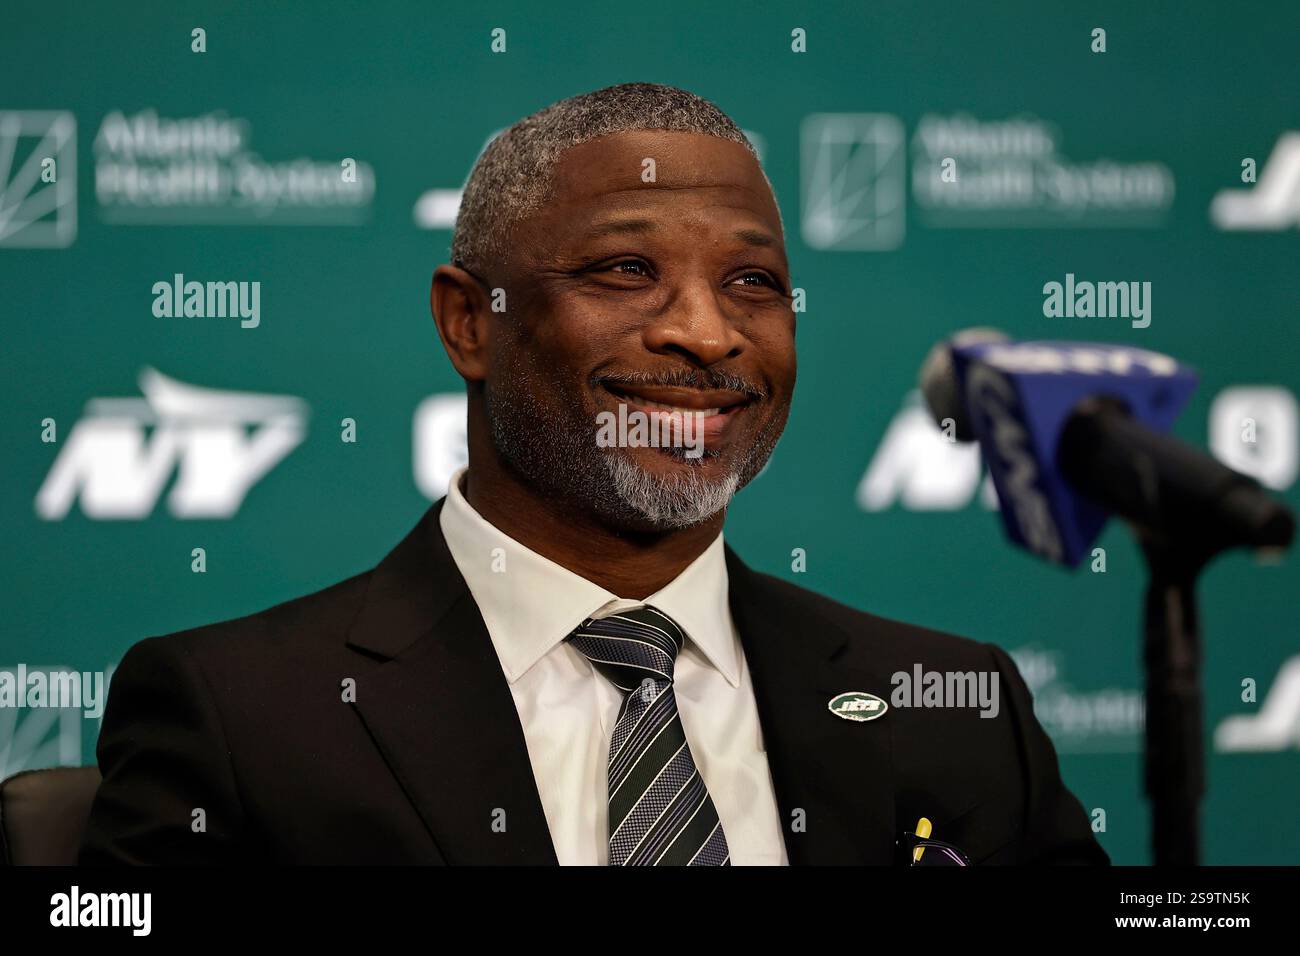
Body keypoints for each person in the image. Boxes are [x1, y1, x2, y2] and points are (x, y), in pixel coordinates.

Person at [80, 82, 1107, 866]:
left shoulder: (956, 711)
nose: (705, 333)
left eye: (751, 282)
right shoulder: (238, 713)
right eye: (626, 270)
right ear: (465, 321)